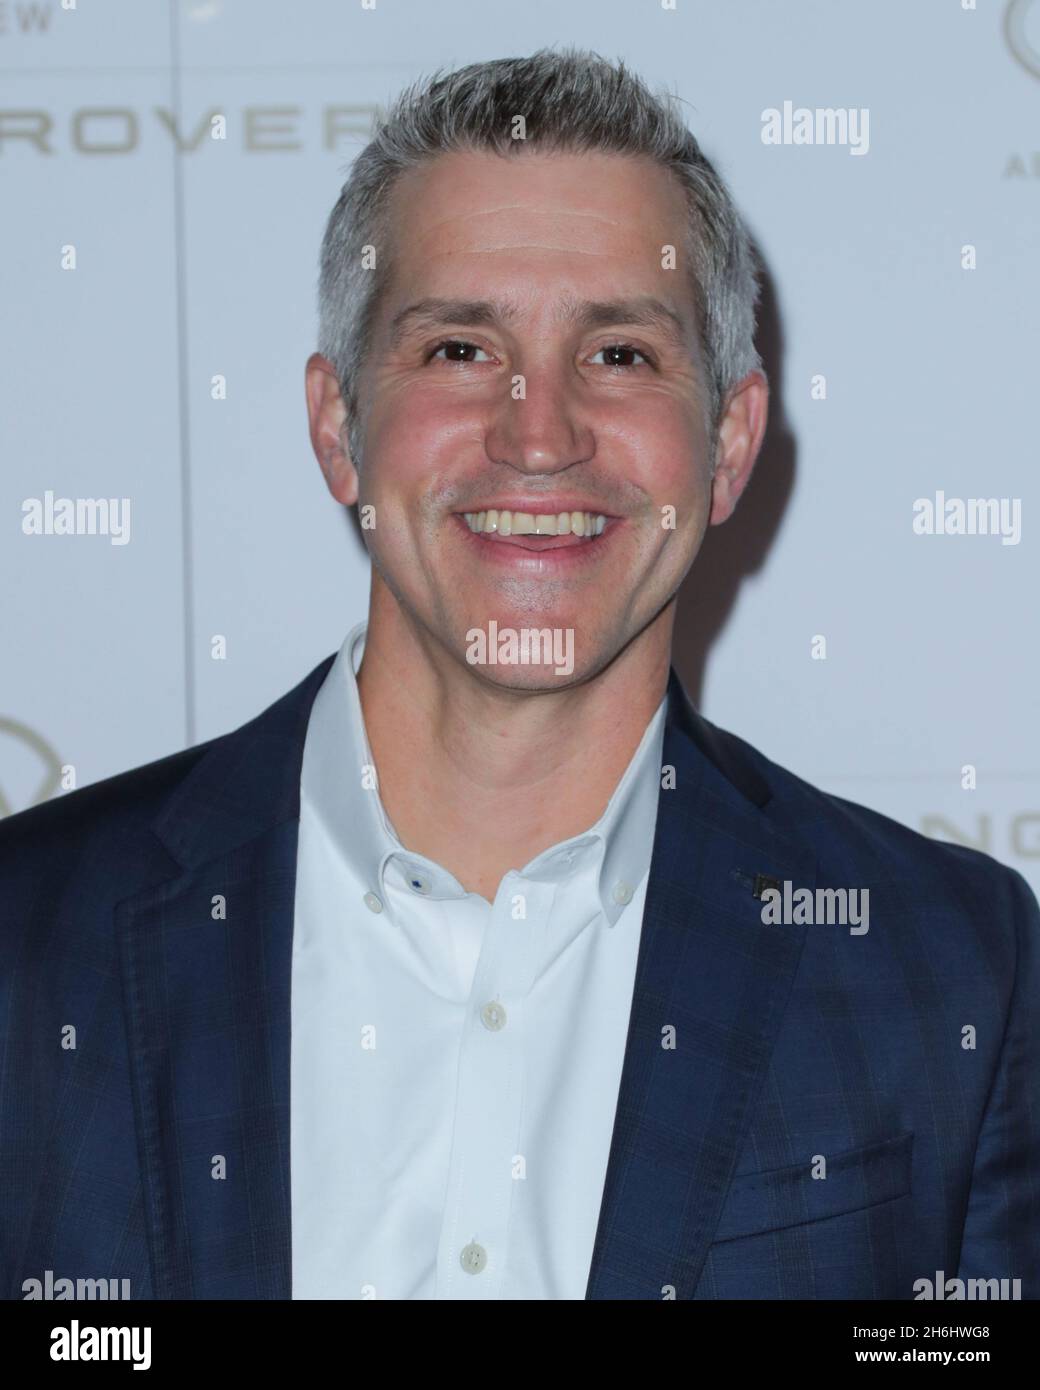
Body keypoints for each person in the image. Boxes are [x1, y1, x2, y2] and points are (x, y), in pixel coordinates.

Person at [2, 48, 1037, 1302]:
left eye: (618, 354)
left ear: (727, 444)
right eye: (454, 349)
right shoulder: (31, 938)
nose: (536, 434)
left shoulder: (946, 968)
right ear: (338, 427)